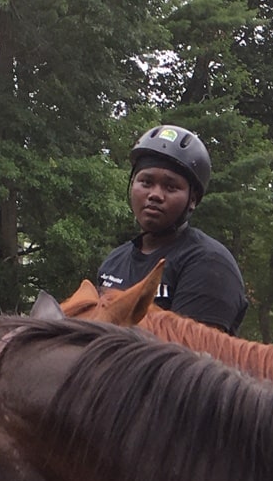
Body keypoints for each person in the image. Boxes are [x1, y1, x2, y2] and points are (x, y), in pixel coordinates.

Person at [97, 124, 248, 335]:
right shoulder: (114, 262)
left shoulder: (209, 264)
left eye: (171, 187)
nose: (155, 195)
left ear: (192, 199)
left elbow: (189, 358)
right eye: (146, 182)